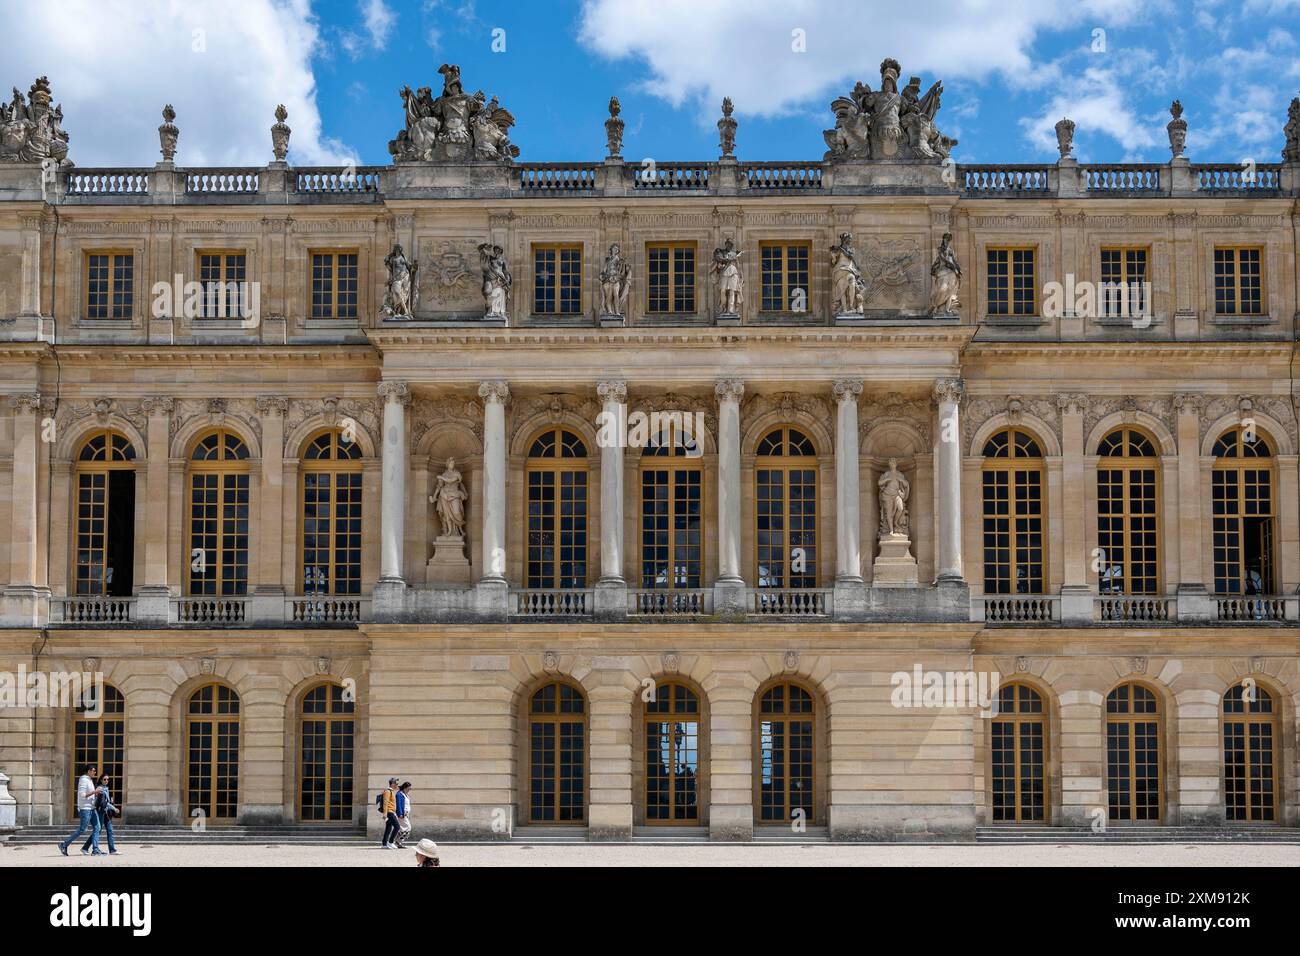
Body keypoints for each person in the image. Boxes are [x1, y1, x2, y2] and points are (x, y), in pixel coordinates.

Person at [58, 763, 100, 856]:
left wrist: (95, 794)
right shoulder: (84, 780)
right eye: (93, 770)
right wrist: (94, 791)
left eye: (95, 770)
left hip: (92, 808)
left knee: (97, 827)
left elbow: (90, 794)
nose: (95, 772)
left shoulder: (89, 780)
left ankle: (95, 849)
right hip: (85, 809)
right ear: (88, 771)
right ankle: (64, 844)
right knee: (82, 829)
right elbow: (82, 795)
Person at [82, 772, 120, 856]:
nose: (106, 781)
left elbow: (107, 801)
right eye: (104, 779)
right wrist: (114, 808)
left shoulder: (106, 788)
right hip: (101, 812)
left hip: (107, 813)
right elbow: (105, 803)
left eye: (107, 779)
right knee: (97, 831)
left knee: (110, 831)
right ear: (101, 780)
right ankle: (85, 847)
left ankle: (112, 850)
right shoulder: (100, 789)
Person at [380, 777, 401, 849]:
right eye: (396, 784)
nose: (397, 785)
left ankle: (384, 844)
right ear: (392, 784)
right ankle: (390, 842)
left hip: (391, 812)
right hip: (389, 812)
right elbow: (385, 803)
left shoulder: (391, 791)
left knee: (388, 828)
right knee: (397, 827)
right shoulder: (388, 791)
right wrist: (385, 814)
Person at [395, 782, 413, 849]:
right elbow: (398, 805)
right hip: (402, 814)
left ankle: (399, 842)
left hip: (406, 814)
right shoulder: (399, 794)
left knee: (403, 829)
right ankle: (397, 841)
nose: (409, 790)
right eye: (408, 788)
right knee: (408, 828)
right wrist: (400, 813)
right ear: (405, 788)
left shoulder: (406, 795)